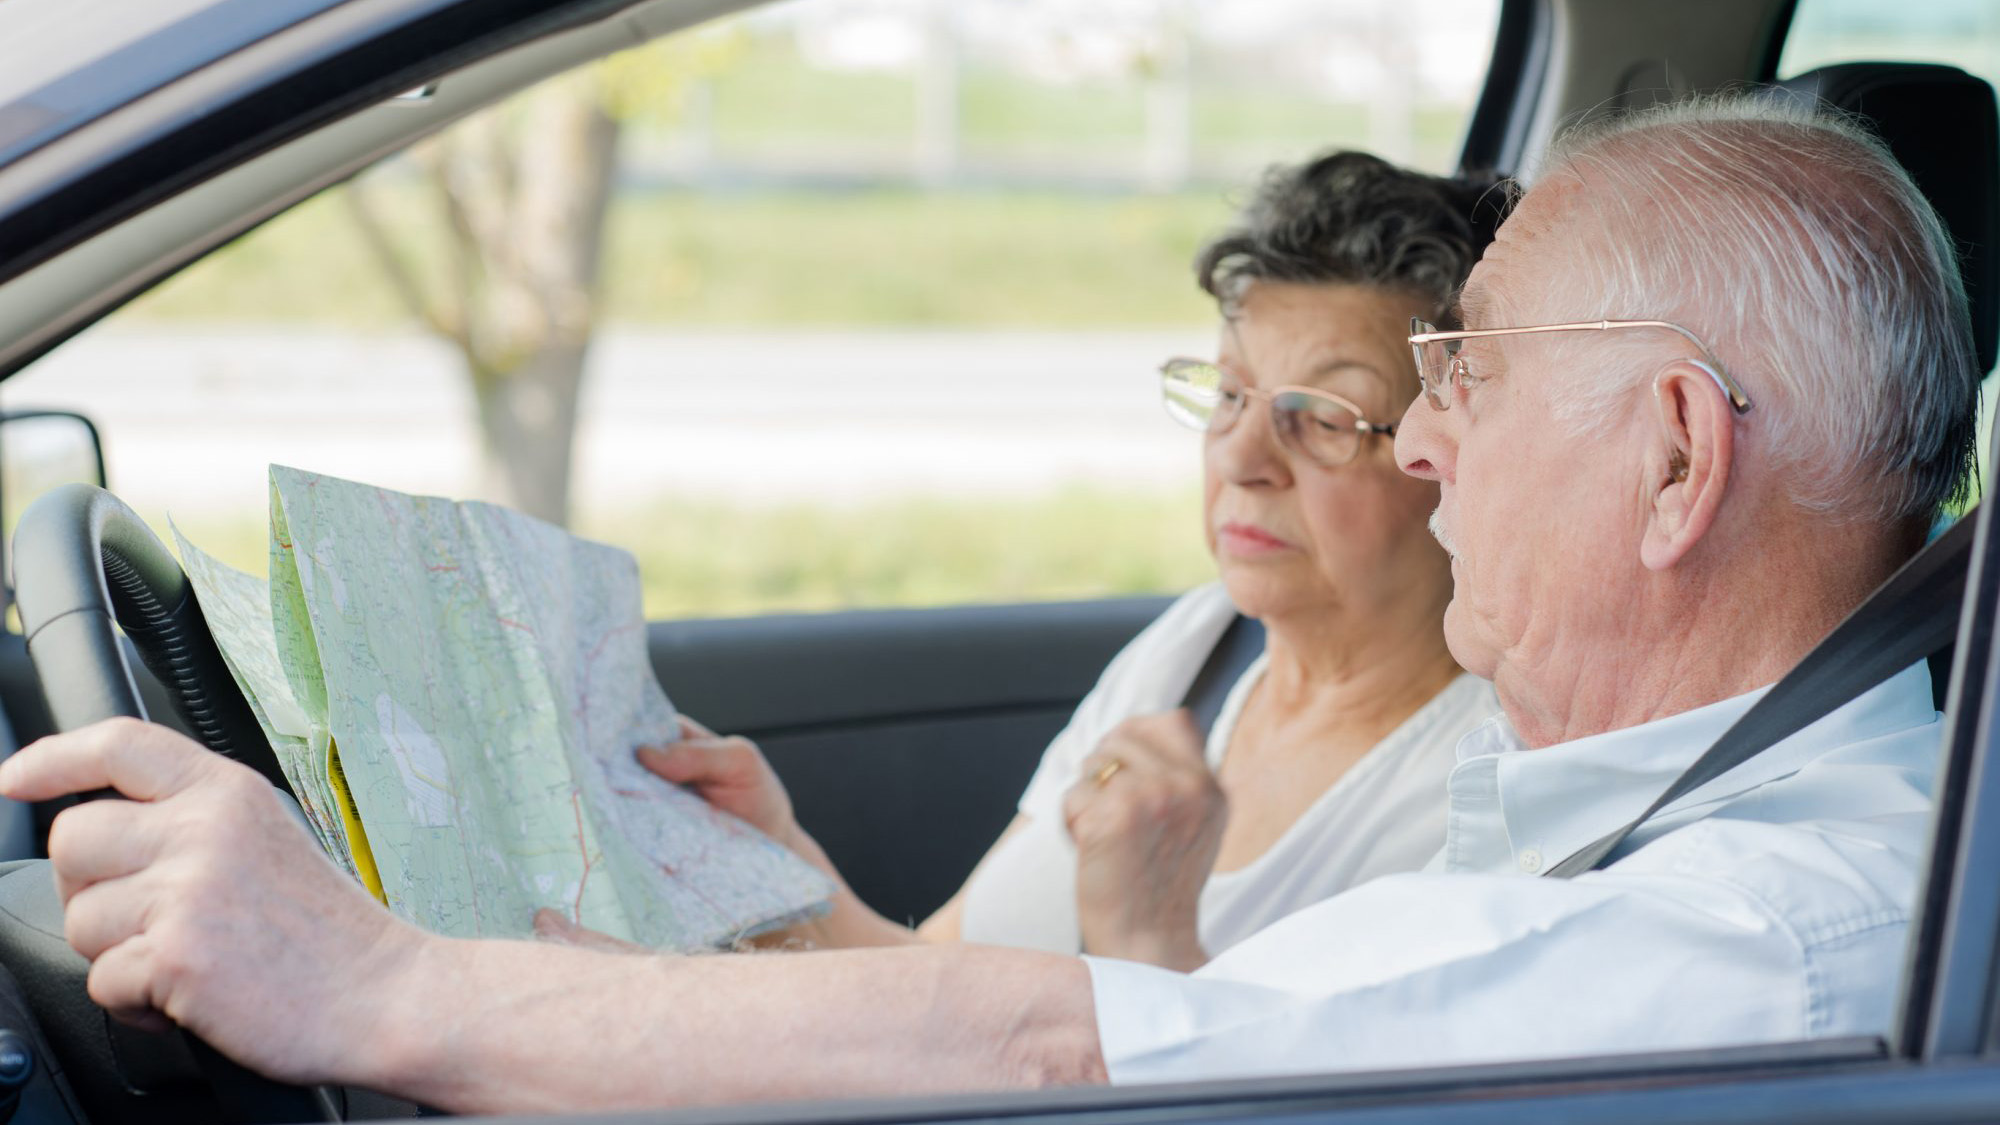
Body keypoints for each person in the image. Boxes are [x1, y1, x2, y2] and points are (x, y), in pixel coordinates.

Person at [0, 92, 1979, 1113]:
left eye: (1466, 378)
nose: (1428, 454)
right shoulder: (1651, 801)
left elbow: (1061, 1048)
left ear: (1668, 459)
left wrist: (373, 987)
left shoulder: (1769, 930)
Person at [599, 152, 1504, 971]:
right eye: (1230, 393)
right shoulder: (1200, 646)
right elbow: (942, 974)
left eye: (1324, 417)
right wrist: (774, 852)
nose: (1240, 456)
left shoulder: (1482, 798)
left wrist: (1146, 940)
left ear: (1448, 450)